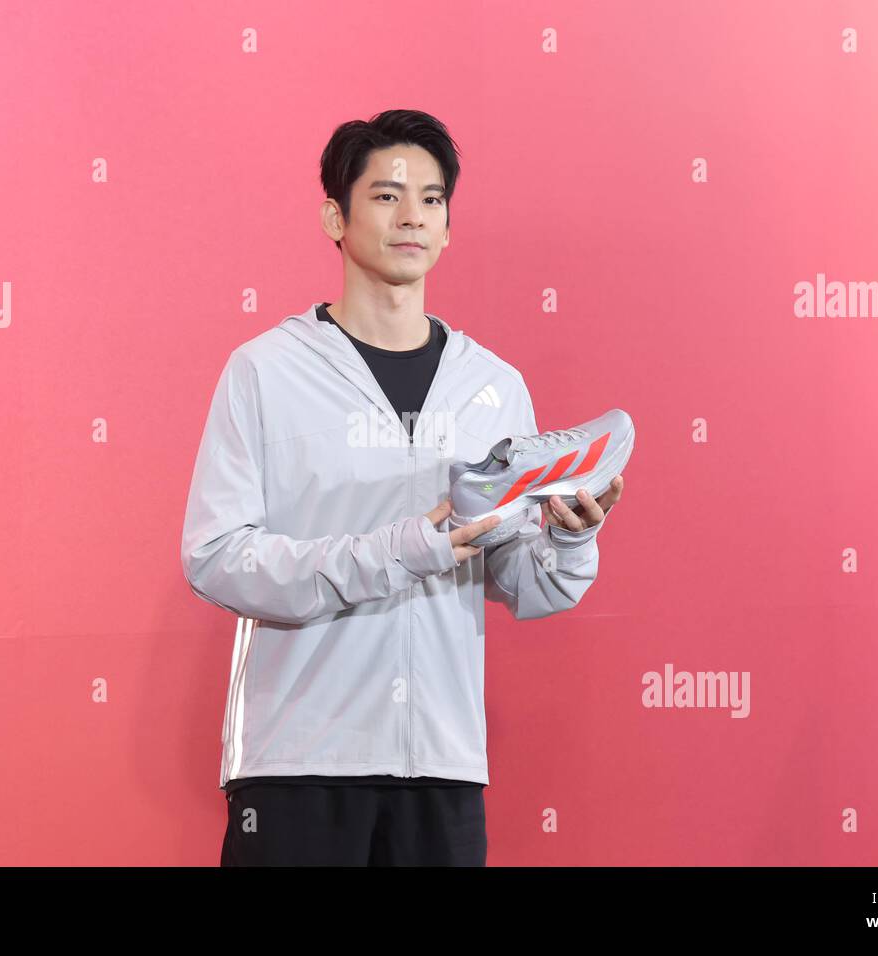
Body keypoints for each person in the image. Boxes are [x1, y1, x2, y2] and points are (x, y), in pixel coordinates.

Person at [181, 109, 625, 866]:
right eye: (386, 196)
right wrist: (407, 547)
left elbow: (524, 585)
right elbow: (217, 557)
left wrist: (569, 537)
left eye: (431, 198)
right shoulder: (265, 370)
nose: (412, 215)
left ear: (449, 226)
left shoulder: (494, 385)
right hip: (298, 764)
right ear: (335, 216)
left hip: (443, 768)